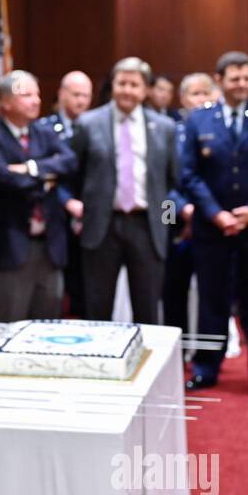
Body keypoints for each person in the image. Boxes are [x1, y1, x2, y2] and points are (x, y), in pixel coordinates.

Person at [182, 50, 248, 394]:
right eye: (235, 78)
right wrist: (216, 212)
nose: (242, 84)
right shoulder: (198, 120)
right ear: (219, 80)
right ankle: (206, 367)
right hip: (211, 227)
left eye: (247, 78)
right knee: (212, 301)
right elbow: (188, 174)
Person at [65, 57, 180, 326]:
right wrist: (74, 207)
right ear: (112, 86)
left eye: (134, 84)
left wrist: (166, 226)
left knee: (148, 310)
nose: (127, 90)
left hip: (147, 227)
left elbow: (173, 185)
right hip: (102, 228)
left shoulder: (164, 128)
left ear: (146, 90)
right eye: (122, 83)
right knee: (98, 308)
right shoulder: (89, 123)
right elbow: (71, 176)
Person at [0, 71, 77, 322]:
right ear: (6, 102)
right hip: (10, 245)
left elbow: (69, 162)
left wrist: (30, 169)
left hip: (49, 244)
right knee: (6, 326)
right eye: (27, 95)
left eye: (37, 94)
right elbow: (4, 178)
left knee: (47, 326)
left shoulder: (45, 132)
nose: (36, 101)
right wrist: (46, 177)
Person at [163, 73, 216, 337]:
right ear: (183, 99)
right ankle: (178, 344)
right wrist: (184, 210)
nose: (202, 100)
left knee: (212, 291)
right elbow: (161, 180)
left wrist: (205, 213)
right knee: (174, 288)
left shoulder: (220, 131)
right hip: (173, 218)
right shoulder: (170, 131)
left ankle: (208, 352)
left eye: (207, 93)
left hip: (212, 220)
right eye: (196, 94)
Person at [36, 70, 92, 315]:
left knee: (86, 285)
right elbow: (42, 174)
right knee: (53, 288)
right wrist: (67, 202)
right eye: (76, 94)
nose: (81, 100)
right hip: (54, 213)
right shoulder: (43, 129)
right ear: (61, 94)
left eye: (86, 95)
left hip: (90, 214)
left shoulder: (95, 127)